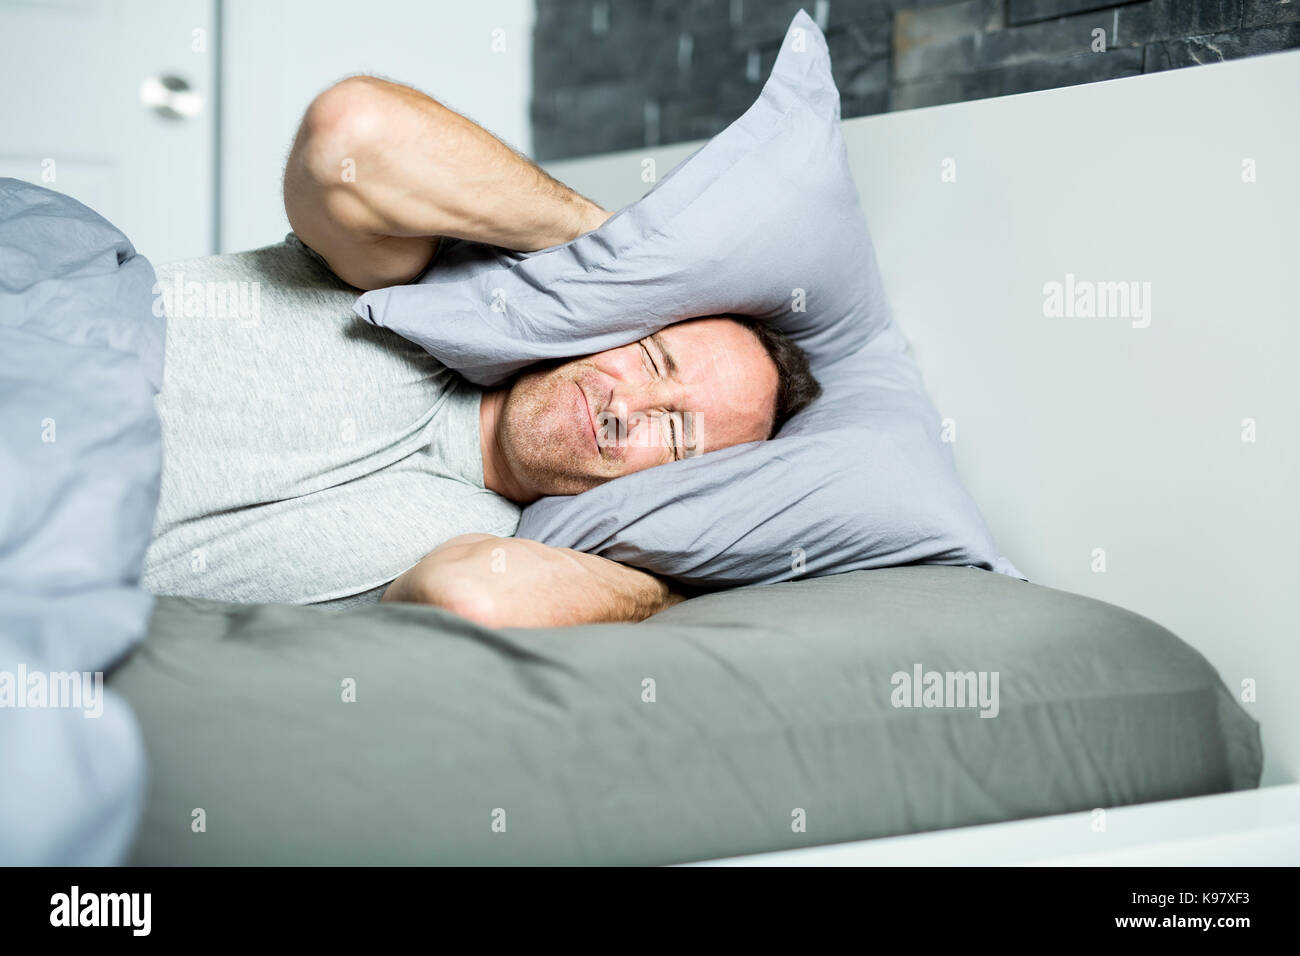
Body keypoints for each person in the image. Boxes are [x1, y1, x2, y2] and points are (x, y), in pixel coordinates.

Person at [141, 74, 820, 629]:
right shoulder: (404, 295)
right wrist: (606, 256)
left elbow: (473, 600)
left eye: (675, 433)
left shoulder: (485, 545)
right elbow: (349, 132)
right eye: (652, 358)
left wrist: (668, 588)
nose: (629, 403)